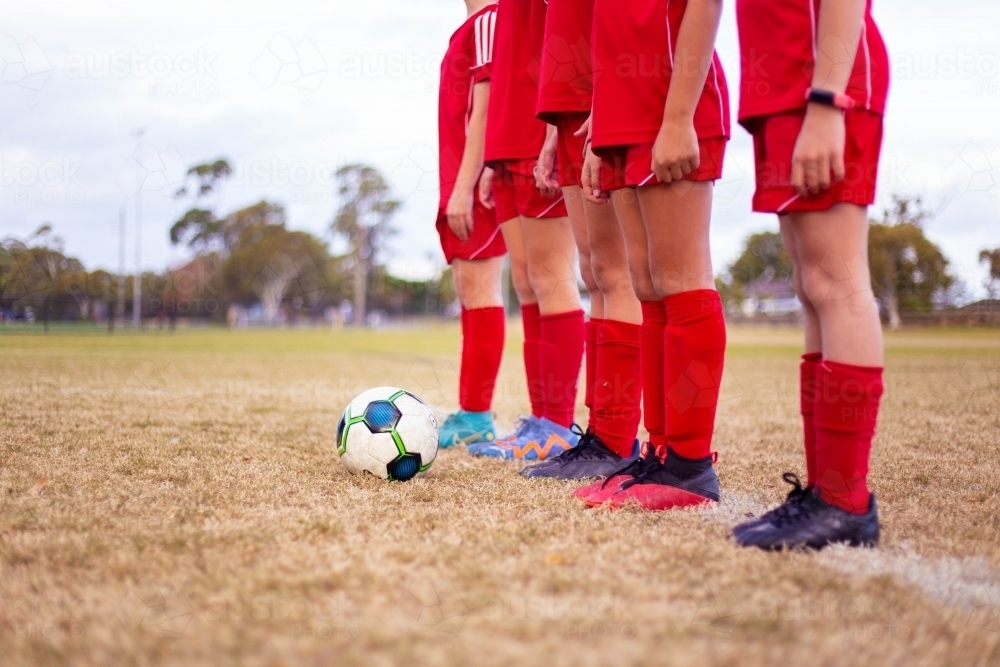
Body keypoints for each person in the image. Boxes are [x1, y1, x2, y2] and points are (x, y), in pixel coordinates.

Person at [731, 0, 889, 550]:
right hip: (782, 90)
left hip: (821, 84)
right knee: (811, 287)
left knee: (837, 283)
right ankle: (825, 491)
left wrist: (827, 97)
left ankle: (846, 502)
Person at [574, 0, 731, 510]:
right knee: (648, 284)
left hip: (669, 102)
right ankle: (662, 455)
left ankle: (690, 464)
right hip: (623, 111)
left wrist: (680, 115)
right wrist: (601, 122)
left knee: (681, 278)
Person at [520, 0, 644, 480]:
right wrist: (555, 129)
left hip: (604, 100)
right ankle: (602, 434)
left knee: (617, 273)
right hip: (570, 109)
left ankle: (617, 439)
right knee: (595, 273)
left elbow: (612, 23)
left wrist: (604, 102)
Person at [470, 0, 586, 461]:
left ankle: (557, 422)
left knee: (553, 276)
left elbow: (568, 36)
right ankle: (542, 419)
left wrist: (553, 130)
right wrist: (489, 160)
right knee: (528, 281)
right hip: (508, 143)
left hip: (540, 131)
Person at [434, 0, 509, 448]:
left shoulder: (491, 18)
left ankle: (478, 413)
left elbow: (487, 109)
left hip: (475, 178)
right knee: (469, 287)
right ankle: (471, 409)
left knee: (482, 288)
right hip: (460, 176)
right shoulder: (472, 25)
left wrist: (465, 184)